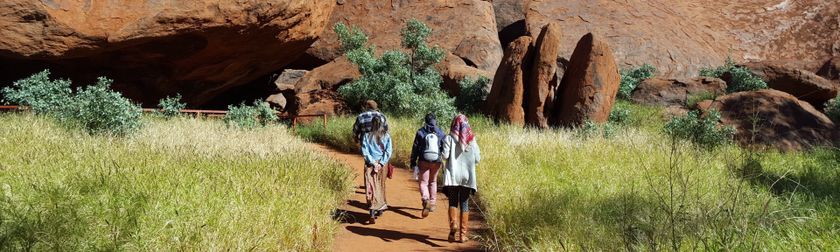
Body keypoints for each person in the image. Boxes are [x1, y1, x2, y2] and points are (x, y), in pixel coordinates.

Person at [441, 114, 480, 243]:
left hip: (453, 175)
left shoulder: (449, 138)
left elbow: (445, 155)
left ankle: (453, 226)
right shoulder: (472, 140)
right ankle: (462, 235)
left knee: (453, 202)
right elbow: (477, 159)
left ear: (454, 124)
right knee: (464, 204)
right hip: (467, 177)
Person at [409, 113, 445, 218]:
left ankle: (425, 199)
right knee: (433, 181)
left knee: (423, 182)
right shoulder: (440, 132)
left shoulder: (421, 132)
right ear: (435, 120)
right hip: (436, 161)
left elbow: (415, 147)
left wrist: (413, 161)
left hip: (423, 161)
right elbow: (443, 147)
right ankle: (432, 204)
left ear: (425, 120)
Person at [360, 116, 392, 224]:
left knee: (370, 186)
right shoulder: (386, 136)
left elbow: (365, 151)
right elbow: (388, 151)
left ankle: (372, 211)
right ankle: (380, 207)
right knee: (380, 185)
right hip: (382, 165)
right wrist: (381, 163)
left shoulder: (367, 136)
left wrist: (373, 163)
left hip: (370, 164)